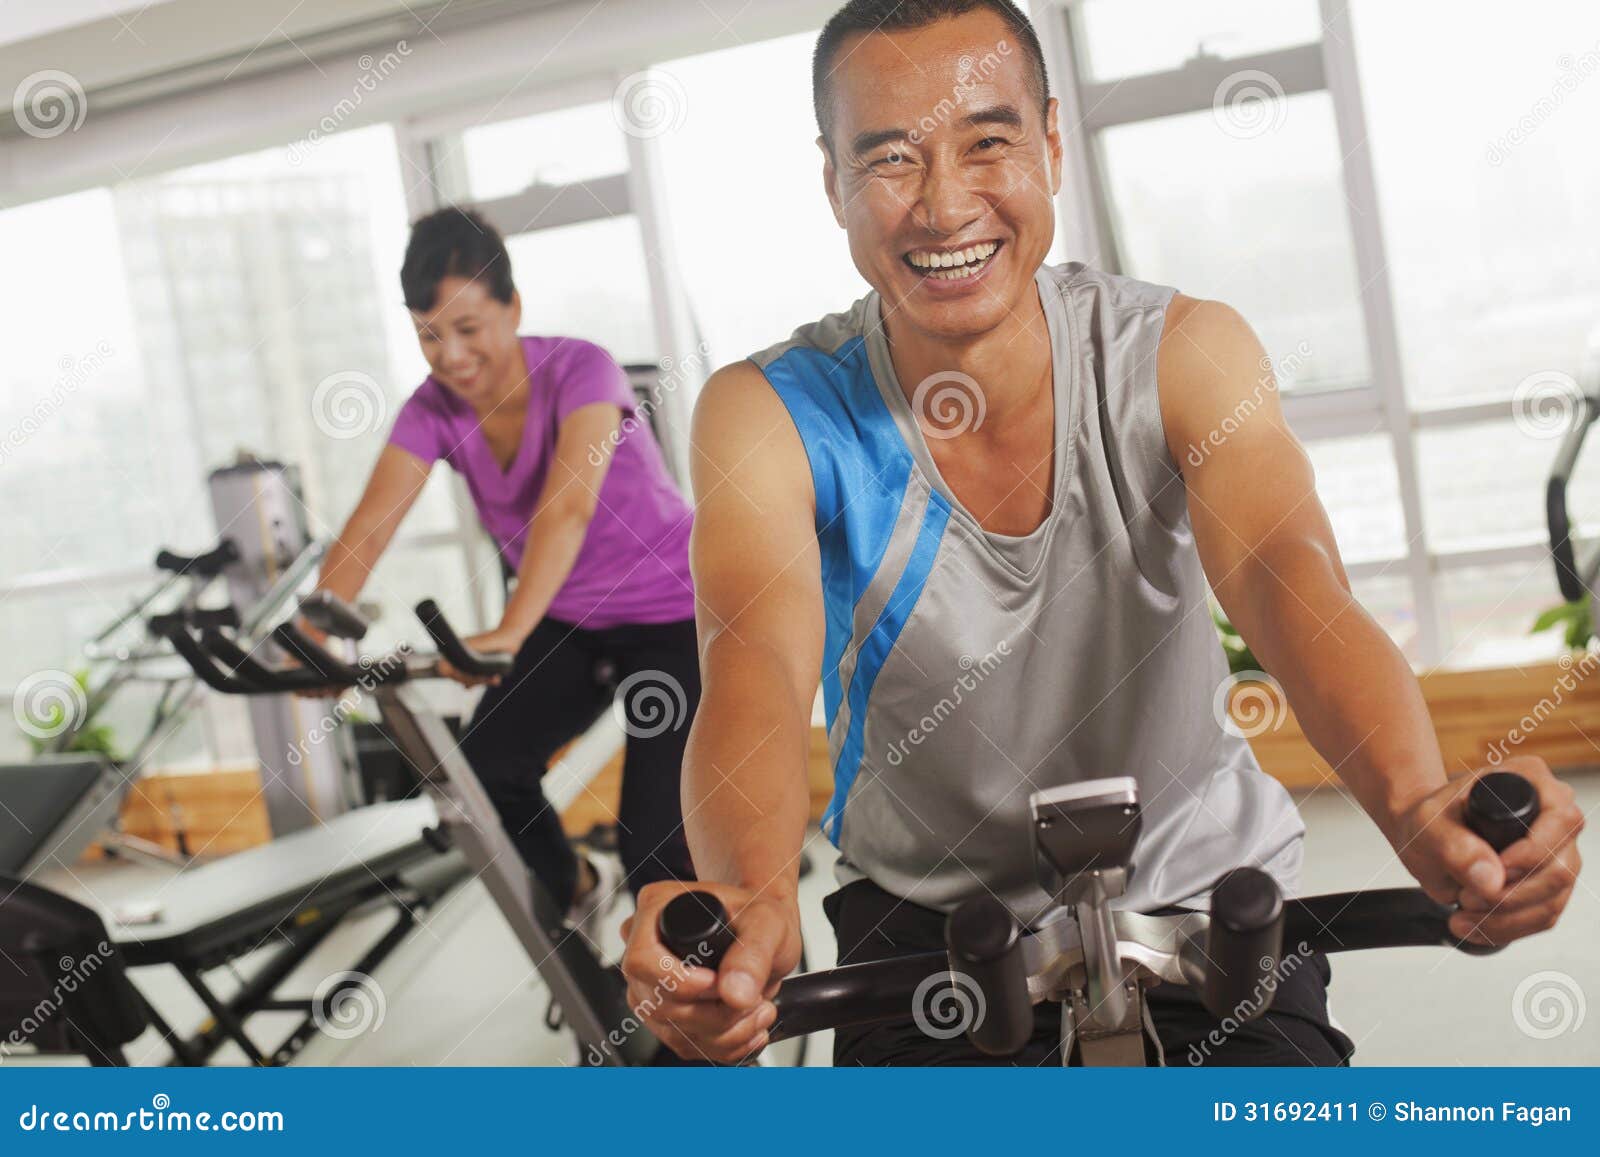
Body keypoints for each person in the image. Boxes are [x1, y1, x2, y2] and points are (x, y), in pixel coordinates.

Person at [620, 0, 1585, 1066]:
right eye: (889, 159)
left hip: (1203, 896)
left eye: (986, 144)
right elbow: (750, 661)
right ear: (832, 184)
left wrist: (1413, 798)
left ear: (1049, 146)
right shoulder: (767, 412)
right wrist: (752, 892)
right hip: (929, 923)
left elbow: (1285, 578)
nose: (943, 207)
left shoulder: (1181, 352)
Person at [310, 206, 699, 935]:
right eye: (429, 335)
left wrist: (510, 631)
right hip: (570, 621)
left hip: (673, 613)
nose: (451, 355)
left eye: (467, 329)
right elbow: (372, 523)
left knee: (654, 843)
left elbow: (567, 509)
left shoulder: (584, 368)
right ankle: (579, 885)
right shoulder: (430, 410)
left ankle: (688, 1020)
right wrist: (309, 630)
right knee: (482, 773)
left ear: (512, 308)